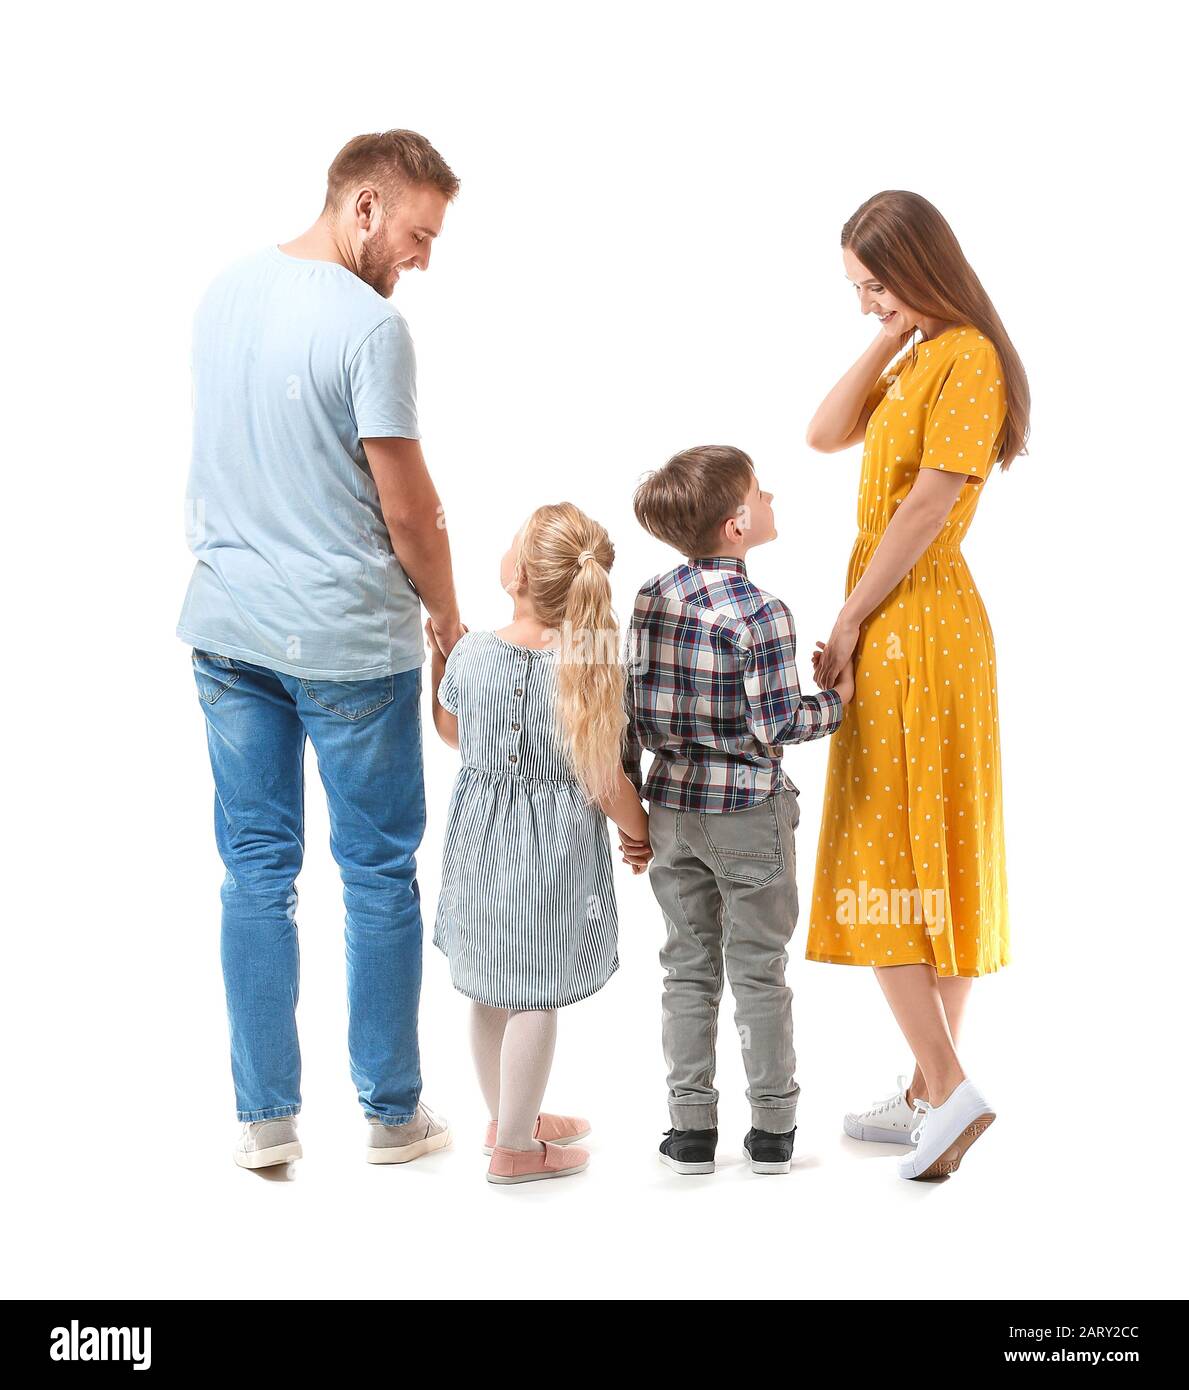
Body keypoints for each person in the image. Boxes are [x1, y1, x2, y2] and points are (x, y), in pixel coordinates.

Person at [177, 130, 463, 1170]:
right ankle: (392, 1116)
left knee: (255, 871)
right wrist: (447, 618)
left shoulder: (224, 291)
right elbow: (410, 509)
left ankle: (265, 1123)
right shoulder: (369, 325)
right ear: (365, 206)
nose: (423, 257)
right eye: (419, 234)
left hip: (227, 626)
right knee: (378, 870)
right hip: (345, 638)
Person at [804, 190, 1030, 1181]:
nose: (863, 304)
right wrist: (889, 328)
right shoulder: (921, 349)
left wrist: (850, 616)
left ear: (923, 265)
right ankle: (922, 1093)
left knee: (886, 837)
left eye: (875, 284)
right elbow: (820, 432)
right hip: (912, 616)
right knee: (922, 835)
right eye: (856, 289)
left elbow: (931, 504)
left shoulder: (969, 355)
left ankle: (945, 1085)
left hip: (915, 620)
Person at [626, 447, 853, 1176]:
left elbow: (626, 712)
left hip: (669, 807)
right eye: (761, 490)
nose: (771, 494)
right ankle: (772, 1131)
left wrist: (631, 802)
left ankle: (690, 1131)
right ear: (736, 523)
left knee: (685, 968)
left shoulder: (648, 596)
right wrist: (840, 702)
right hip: (746, 812)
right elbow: (780, 723)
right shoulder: (760, 611)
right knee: (758, 967)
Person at [428, 504, 651, 1185]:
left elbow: (453, 736)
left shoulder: (472, 654)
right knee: (536, 992)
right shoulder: (587, 665)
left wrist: (437, 657)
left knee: (493, 989)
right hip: (551, 859)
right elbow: (605, 779)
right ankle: (518, 1147)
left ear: (517, 575)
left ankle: (508, 1119)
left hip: (480, 850)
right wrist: (638, 835)